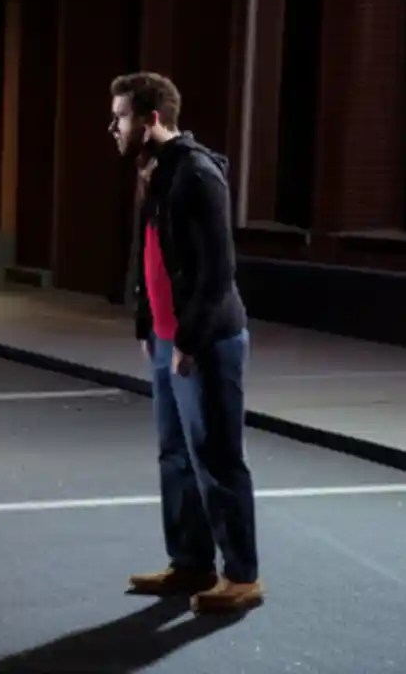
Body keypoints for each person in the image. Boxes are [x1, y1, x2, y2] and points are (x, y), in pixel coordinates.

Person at [108, 72, 263, 614]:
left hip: (206, 343)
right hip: (168, 340)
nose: (113, 126)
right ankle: (190, 563)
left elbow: (216, 271)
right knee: (175, 457)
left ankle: (242, 575)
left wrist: (189, 341)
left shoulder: (197, 174)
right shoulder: (154, 170)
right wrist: (147, 326)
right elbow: (150, 256)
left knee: (216, 459)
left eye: (121, 116)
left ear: (151, 119)